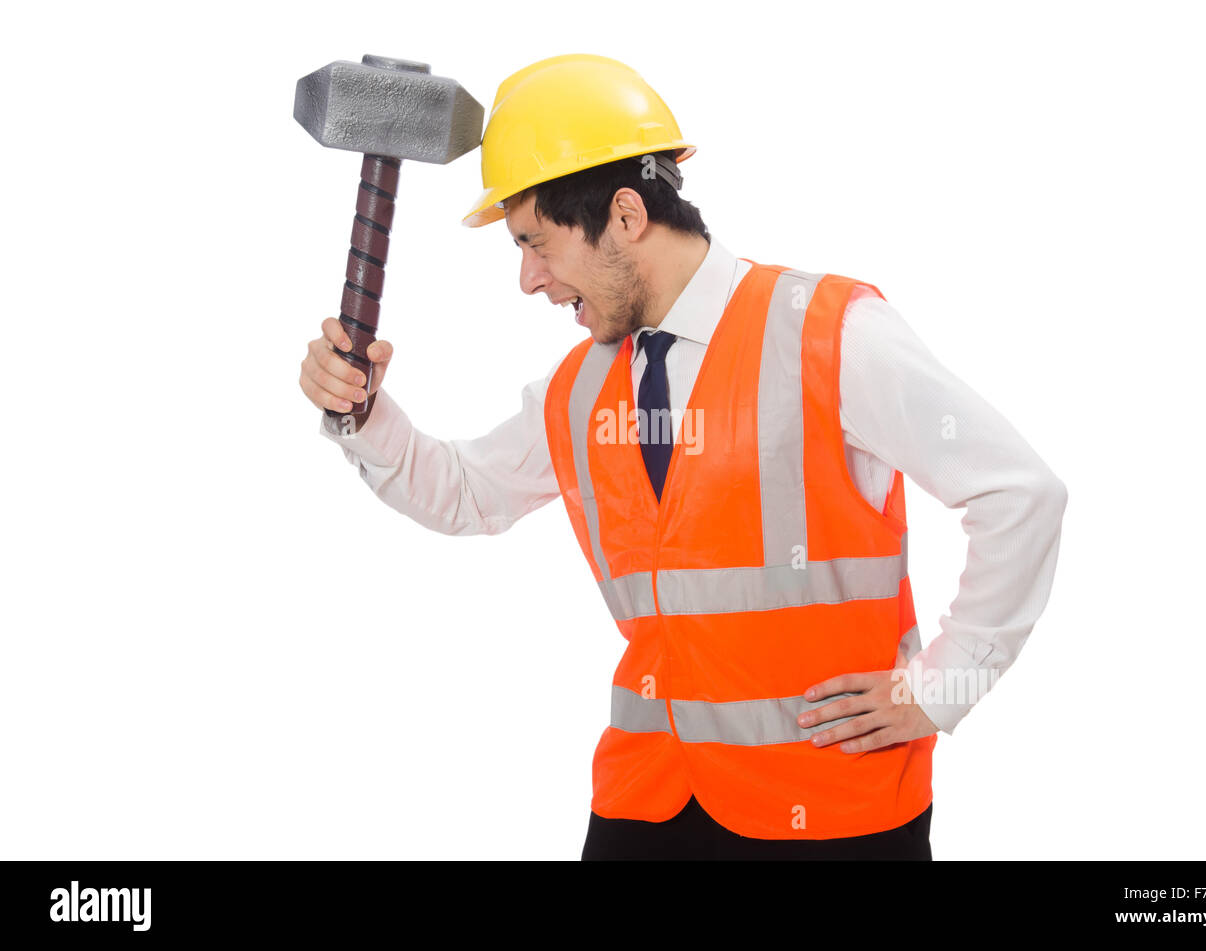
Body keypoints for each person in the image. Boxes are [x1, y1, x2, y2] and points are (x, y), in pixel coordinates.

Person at [298, 54, 1068, 860]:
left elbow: (1021, 493)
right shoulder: (581, 386)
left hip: (833, 807)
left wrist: (942, 688)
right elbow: (464, 493)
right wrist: (363, 415)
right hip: (646, 807)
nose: (528, 280)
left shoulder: (828, 332)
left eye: (536, 243)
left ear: (625, 216)